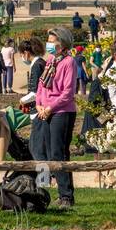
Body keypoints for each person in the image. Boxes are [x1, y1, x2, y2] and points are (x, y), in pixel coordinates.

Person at [34, 27, 78, 208]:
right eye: (49, 41)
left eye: (53, 41)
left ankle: (66, 195)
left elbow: (68, 93)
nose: (49, 45)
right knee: (45, 151)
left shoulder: (69, 62)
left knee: (58, 153)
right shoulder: (51, 61)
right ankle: (55, 191)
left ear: (63, 43)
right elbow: (41, 86)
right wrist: (39, 104)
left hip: (61, 111)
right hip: (45, 110)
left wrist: (50, 108)